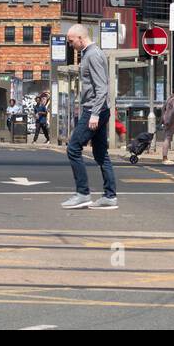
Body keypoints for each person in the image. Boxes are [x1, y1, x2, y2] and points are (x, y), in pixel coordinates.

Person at [61, 24, 118, 210]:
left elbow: (102, 88)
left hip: (94, 110)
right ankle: (109, 196)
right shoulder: (88, 53)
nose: (71, 45)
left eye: (71, 41)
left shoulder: (93, 54)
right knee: (101, 154)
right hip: (98, 109)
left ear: (80, 37)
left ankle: (83, 193)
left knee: (73, 148)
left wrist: (94, 114)